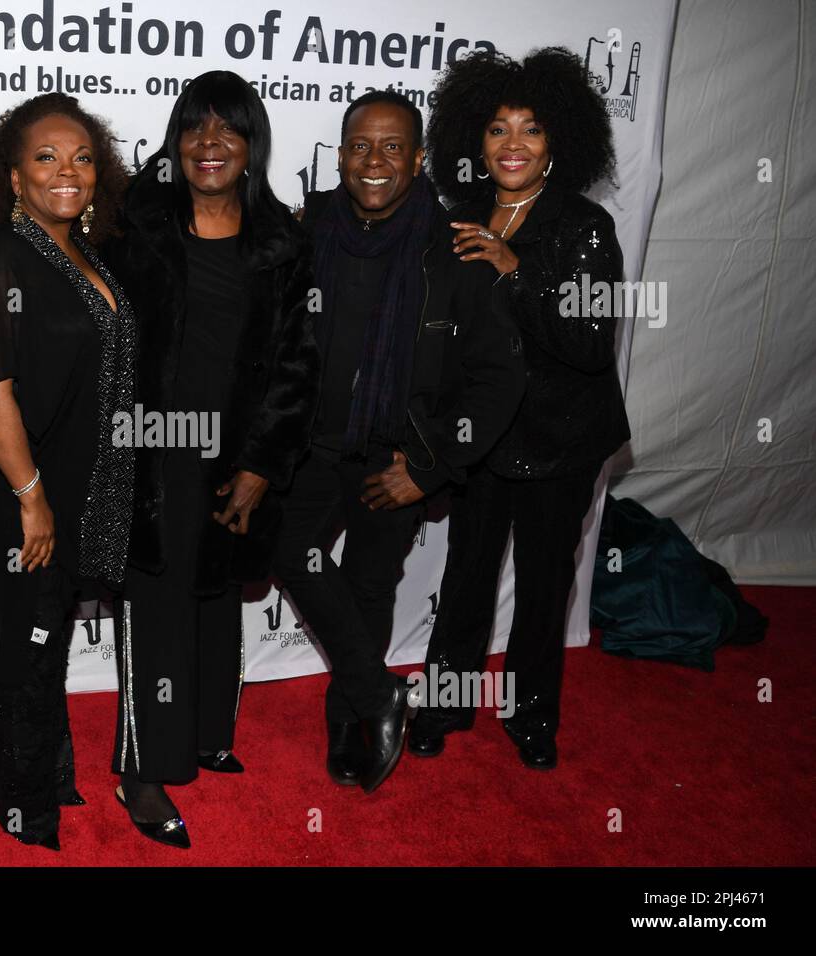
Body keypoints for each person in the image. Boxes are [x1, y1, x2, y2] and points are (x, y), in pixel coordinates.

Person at [275, 91, 525, 793]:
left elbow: (497, 381)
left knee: (369, 588)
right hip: (310, 447)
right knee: (283, 549)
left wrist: (430, 466)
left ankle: (350, 718)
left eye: (392, 148)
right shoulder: (311, 225)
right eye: (360, 145)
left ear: (418, 160)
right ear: (342, 154)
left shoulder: (455, 249)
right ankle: (380, 691)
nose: (374, 161)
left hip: (396, 456)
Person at [104, 70, 320, 847]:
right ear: (174, 140)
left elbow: (298, 366)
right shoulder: (138, 224)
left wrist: (264, 463)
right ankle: (143, 770)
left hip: (233, 457)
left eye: (229, 128)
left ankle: (200, 735)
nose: (210, 143)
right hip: (150, 456)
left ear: (252, 144)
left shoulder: (283, 243)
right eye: (195, 127)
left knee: (213, 597)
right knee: (156, 606)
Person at [411, 48, 631, 769]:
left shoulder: (585, 226)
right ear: (474, 139)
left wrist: (516, 271)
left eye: (530, 129)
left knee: (544, 586)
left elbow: (591, 343)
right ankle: (445, 704)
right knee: (466, 576)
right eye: (498, 128)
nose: (512, 144)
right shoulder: (459, 216)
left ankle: (533, 715)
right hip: (482, 436)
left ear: (556, 141)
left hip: (560, 440)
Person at [0, 93, 135, 851]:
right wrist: (32, 500)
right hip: (20, 494)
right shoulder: (4, 256)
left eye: (82, 157)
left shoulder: (84, 254)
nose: (67, 171)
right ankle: (23, 809)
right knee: (26, 654)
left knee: (46, 640)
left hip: (70, 486)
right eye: (46, 158)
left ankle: (51, 775)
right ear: (14, 178)